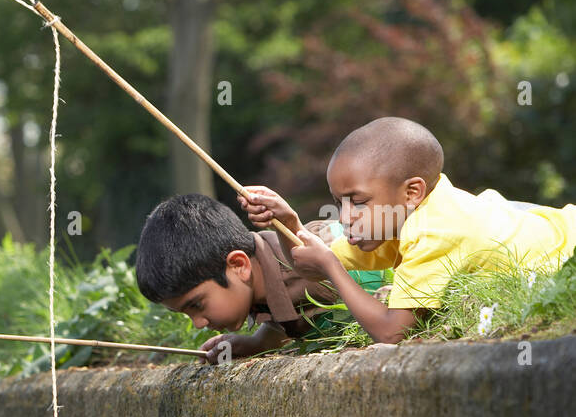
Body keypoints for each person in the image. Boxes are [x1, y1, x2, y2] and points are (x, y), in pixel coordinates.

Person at [240, 116, 576, 344]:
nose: (344, 217)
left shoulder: (435, 231)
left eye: (357, 201)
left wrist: (330, 268)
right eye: (339, 202)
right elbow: (305, 264)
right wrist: (287, 224)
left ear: (411, 192)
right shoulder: (399, 216)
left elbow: (391, 334)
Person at [133, 193, 378, 363]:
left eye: (196, 305)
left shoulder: (320, 258)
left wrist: (291, 224)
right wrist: (254, 343)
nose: (197, 323)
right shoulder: (262, 290)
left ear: (239, 265)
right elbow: (287, 321)